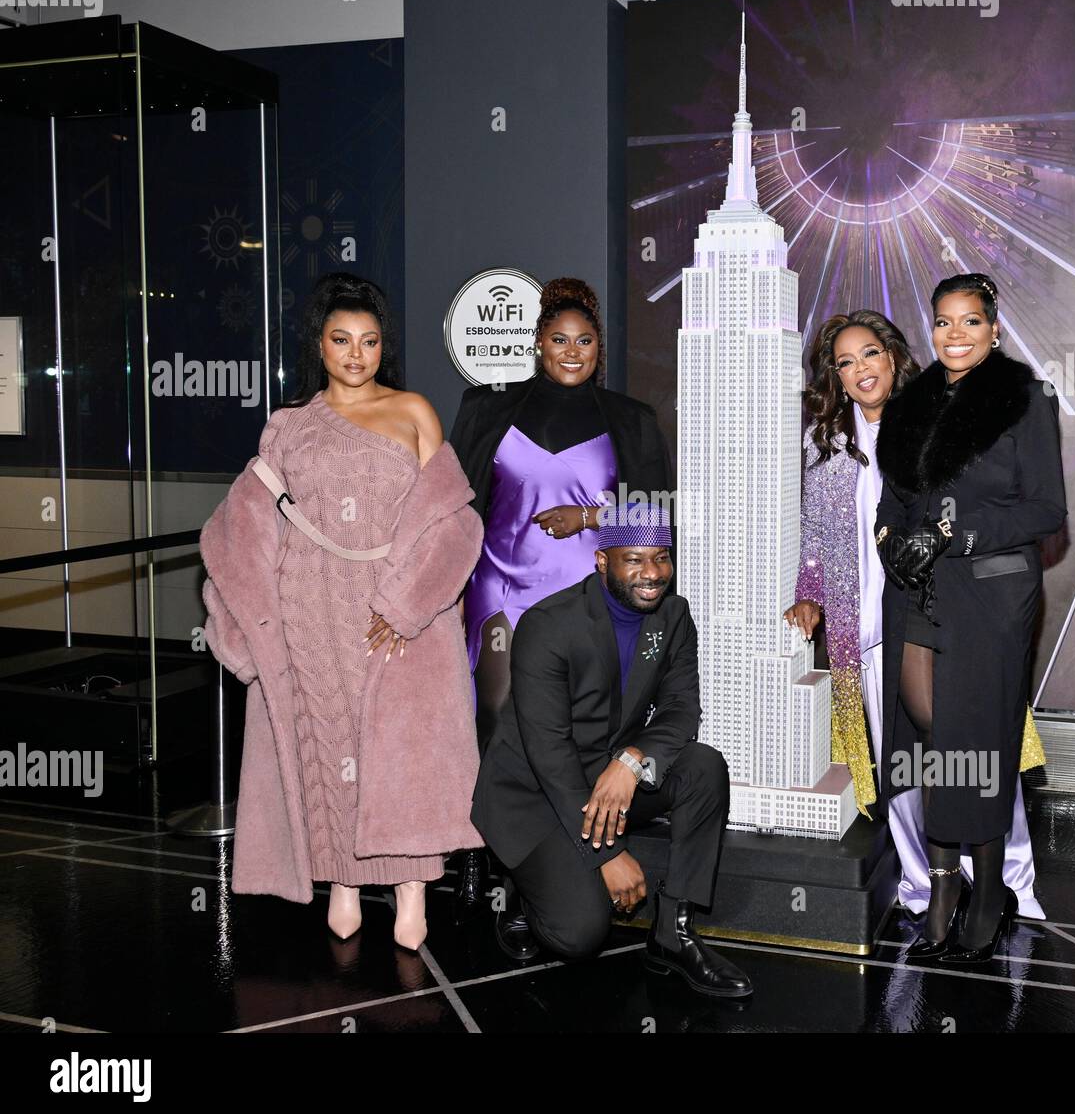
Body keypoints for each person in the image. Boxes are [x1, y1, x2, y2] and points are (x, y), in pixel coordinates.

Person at [200, 272, 483, 950]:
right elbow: (244, 524)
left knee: (398, 749)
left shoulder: (414, 410)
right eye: (340, 340)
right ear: (320, 345)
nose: (356, 354)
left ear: (384, 346)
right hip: (312, 604)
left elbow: (451, 521)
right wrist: (246, 618)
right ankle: (344, 883)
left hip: (392, 606)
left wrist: (410, 602)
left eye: (369, 341)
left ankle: (412, 889)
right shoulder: (289, 425)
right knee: (328, 740)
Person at [785, 309, 1047, 921]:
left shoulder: (938, 422)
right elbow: (817, 536)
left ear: (894, 357)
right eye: (844, 363)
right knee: (900, 761)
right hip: (865, 623)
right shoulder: (824, 442)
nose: (860, 370)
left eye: (869, 353)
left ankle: (1010, 881)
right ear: (836, 377)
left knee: (974, 748)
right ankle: (926, 883)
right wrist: (809, 593)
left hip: (946, 613)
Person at [447, 277, 672, 912]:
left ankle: (536, 876)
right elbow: (455, 504)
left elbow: (658, 520)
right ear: (537, 343)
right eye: (558, 340)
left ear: (600, 347)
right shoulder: (486, 409)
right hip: (500, 588)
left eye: (585, 341)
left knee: (566, 734)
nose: (572, 352)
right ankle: (480, 851)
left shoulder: (630, 420)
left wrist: (591, 518)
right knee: (493, 720)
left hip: (584, 600)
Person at [470, 504, 752, 999]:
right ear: (602, 561)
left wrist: (632, 758)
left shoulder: (673, 615)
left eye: (662, 558)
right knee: (579, 935)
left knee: (702, 766)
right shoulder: (549, 625)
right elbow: (550, 755)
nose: (652, 574)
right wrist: (607, 853)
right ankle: (520, 889)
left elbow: (681, 709)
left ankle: (673, 934)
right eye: (635, 559)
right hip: (537, 793)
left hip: (608, 777)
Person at [875, 273, 1067, 963]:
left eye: (970, 322)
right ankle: (944, 881)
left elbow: (1047, 511)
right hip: (918, 590)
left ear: (993, 328)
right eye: (943, 323)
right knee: (931, 734)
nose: (955, 335)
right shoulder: (916, 401)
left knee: (976, 743)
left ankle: (989, 893)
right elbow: (896, 497)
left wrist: (960, 533)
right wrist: (890, 540)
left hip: (990, 595)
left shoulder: (1023, 396)